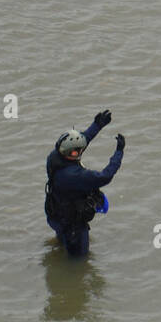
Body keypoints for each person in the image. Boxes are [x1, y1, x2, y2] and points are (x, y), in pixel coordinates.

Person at [45, 110, 124, 258]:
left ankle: (59, 250)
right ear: (73, 154)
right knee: (79, 262)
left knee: (61, 242)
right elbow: (105, 176)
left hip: (55, 214)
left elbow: (81, 141)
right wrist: (119, 152)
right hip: (74, 227)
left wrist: (97, 125)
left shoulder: (54, 157)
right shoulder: (75, 176)